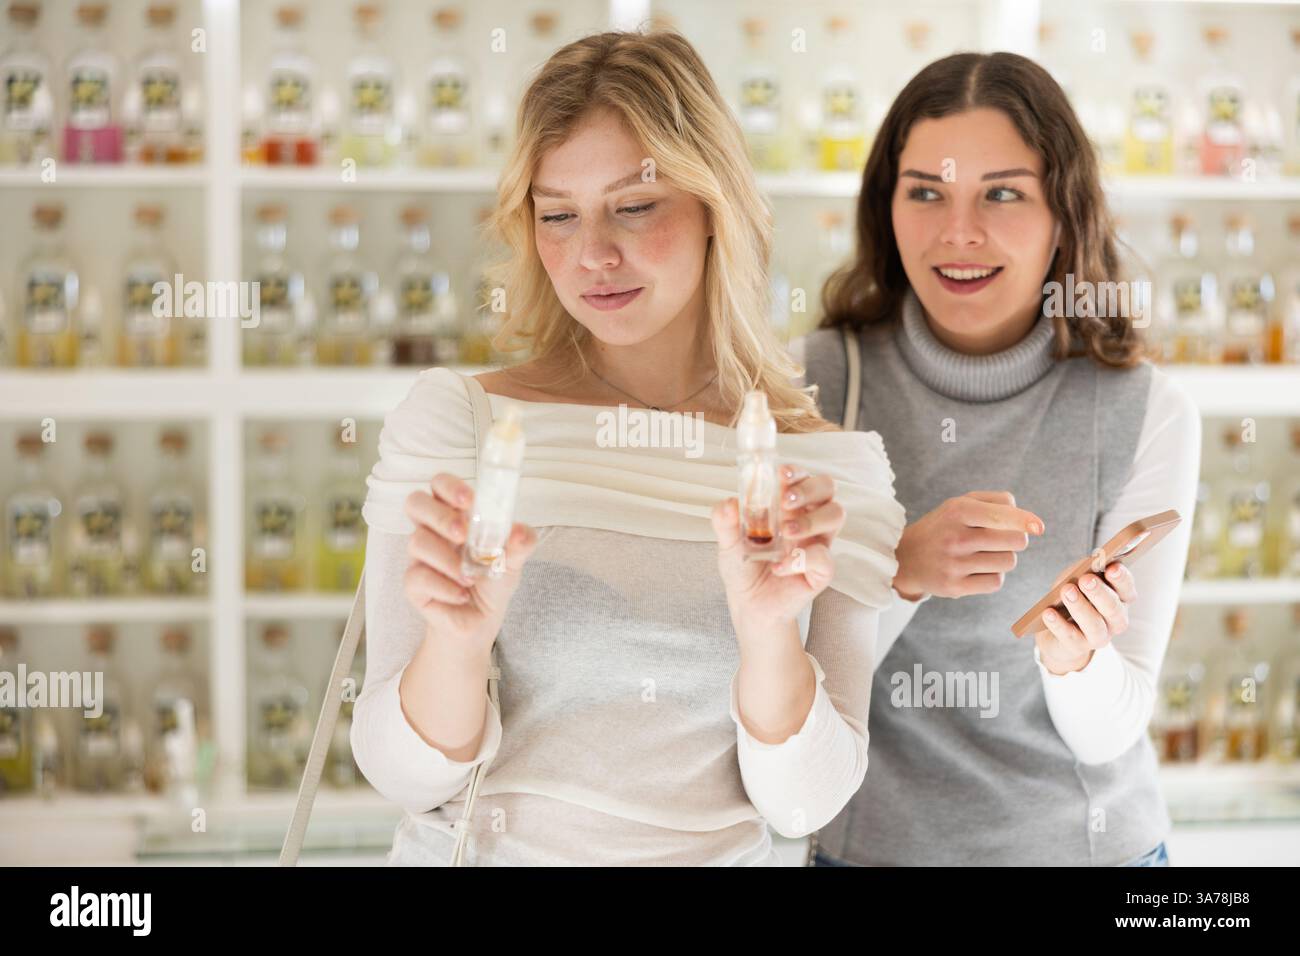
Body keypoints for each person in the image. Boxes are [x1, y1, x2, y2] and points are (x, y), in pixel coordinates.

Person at [351, 30, 906, 866]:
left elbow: (804, 803)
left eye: (635, 206)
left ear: (714, 203)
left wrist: (767, 637)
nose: (593, 255)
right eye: (558, 216)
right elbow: (401, 777)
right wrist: (458, 646)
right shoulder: (463, 423)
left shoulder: (825, 474)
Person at [797, 52, 1200, 866]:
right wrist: (899, 570)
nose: (959, 233)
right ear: (887, 204)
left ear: (1065, 214)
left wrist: (1076, 658)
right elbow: (790, 691)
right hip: (868, 850)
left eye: (1003, 193)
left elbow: (1109, 733)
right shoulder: (818, 382)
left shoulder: (1143, 410)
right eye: (926, 193)